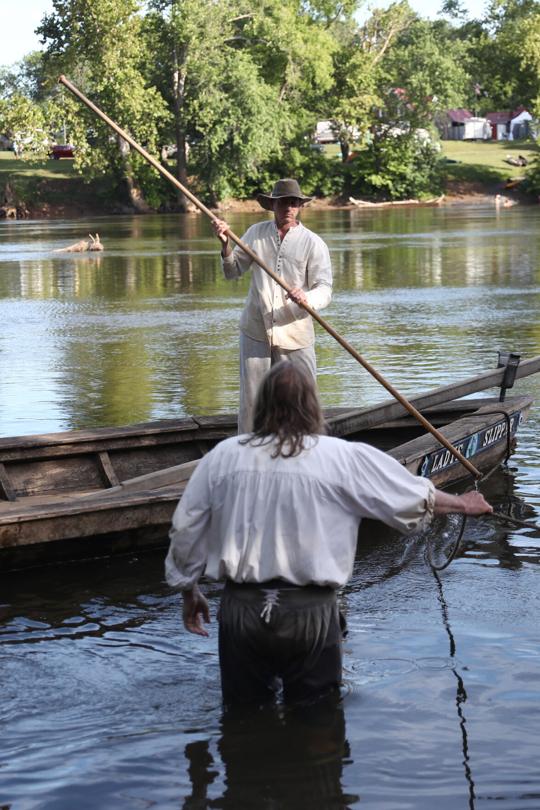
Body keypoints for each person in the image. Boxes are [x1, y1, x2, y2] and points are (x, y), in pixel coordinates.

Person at [165, 361, 492, 706]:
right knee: (318, 724)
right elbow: (410, 497)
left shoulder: (222, 457)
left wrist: (189, 590)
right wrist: (463, 503)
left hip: (241, 613)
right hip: (309, 614)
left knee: (243, 716)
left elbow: (185, 529)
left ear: (261, 407)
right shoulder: (341, 457)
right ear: (312, 405)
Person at [211, 177, 332, 434]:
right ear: (273, 205)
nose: (288, 208)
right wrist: (225, 244)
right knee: (253, 400)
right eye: (282, 203)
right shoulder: (255, 233)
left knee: (304, 396)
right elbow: (233, 272)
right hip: (256, 330)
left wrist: (307, 297)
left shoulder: (313, 243)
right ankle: (248, 451)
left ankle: (310, 447)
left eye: (293, 203)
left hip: (295, 332)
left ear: (299, 206)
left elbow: (325, 289)